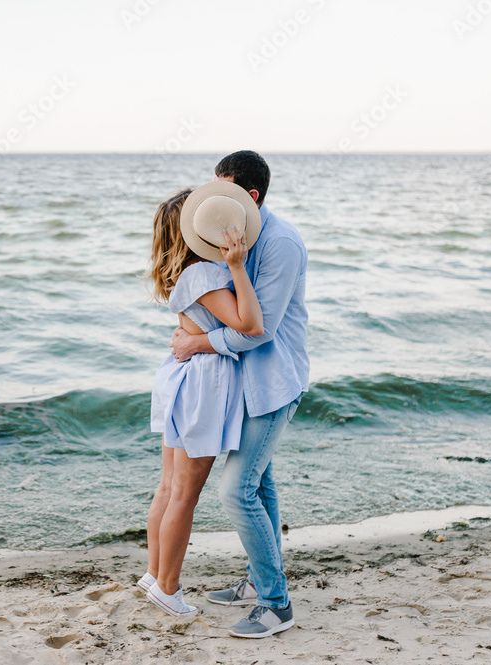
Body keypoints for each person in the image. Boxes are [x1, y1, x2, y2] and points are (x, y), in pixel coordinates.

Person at [170, 150, 309, 638]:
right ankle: (257, 582)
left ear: (250, 196)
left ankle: (276, 605)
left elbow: (259, 330)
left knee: (236, 490)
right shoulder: (230, 239)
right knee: (260, 486)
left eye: (223, 190)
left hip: (272, 383)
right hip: (243, 384)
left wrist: (195, 343)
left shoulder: (280, 244)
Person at [142, 182, 265, 618]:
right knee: (184, 495)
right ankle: (168, 588)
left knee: (168, 487)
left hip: (182, 380)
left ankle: (155, 575)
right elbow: (250, 324)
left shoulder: (185, 274)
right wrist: (237, 267)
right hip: (202, 387)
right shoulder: (207, 275)